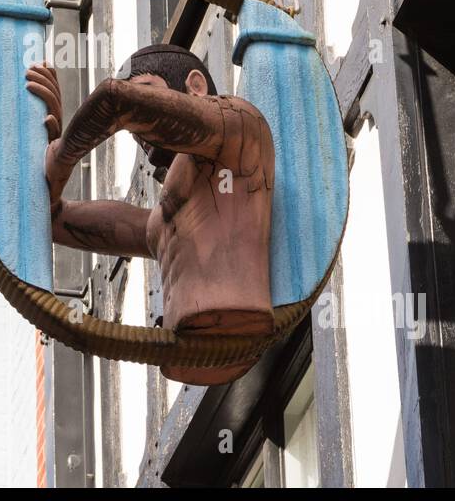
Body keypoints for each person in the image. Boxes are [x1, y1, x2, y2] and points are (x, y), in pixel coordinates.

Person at [25, 45, 275, 385]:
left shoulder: (240, 125)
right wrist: (45, 151)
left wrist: (64, 153)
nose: (136, 133)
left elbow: (117, 101)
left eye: (146, 90)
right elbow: (53, 219)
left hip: (236, 318)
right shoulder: (164, 221)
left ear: (196, 87)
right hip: (186, 348)